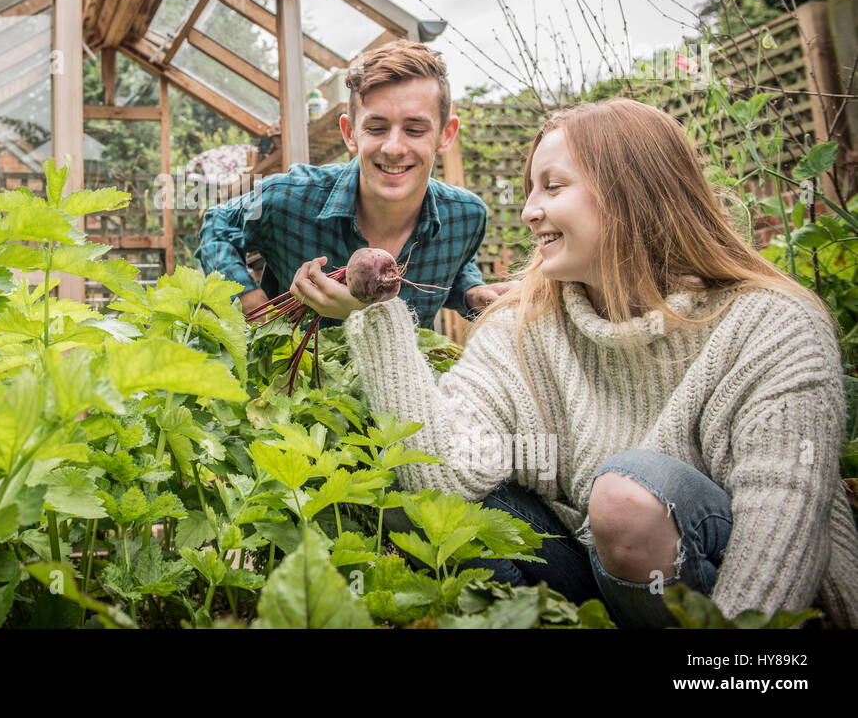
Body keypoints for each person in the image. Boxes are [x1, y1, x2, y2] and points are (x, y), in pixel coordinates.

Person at [298, 97, 858, 628]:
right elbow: (438, 477)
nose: (527, 210)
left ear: (631, 193)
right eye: (529, 189)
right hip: (593, 582)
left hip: (732, 603)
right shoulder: (524, 327)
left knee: (629, 498)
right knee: (411, 508)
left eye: (553, 187)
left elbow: (781, 536)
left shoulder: (768, 325)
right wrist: (377, 318)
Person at [195, 40, 515, 328]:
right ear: (350, 133)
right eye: (376, 128)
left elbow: (455, 267)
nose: (393, 147)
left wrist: (470, 293)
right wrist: (251, 303)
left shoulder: (466, 217)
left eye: (415, 130)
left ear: (445, 135)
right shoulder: (289, 198)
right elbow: (218, 222)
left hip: (403, 390)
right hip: (291, 389)